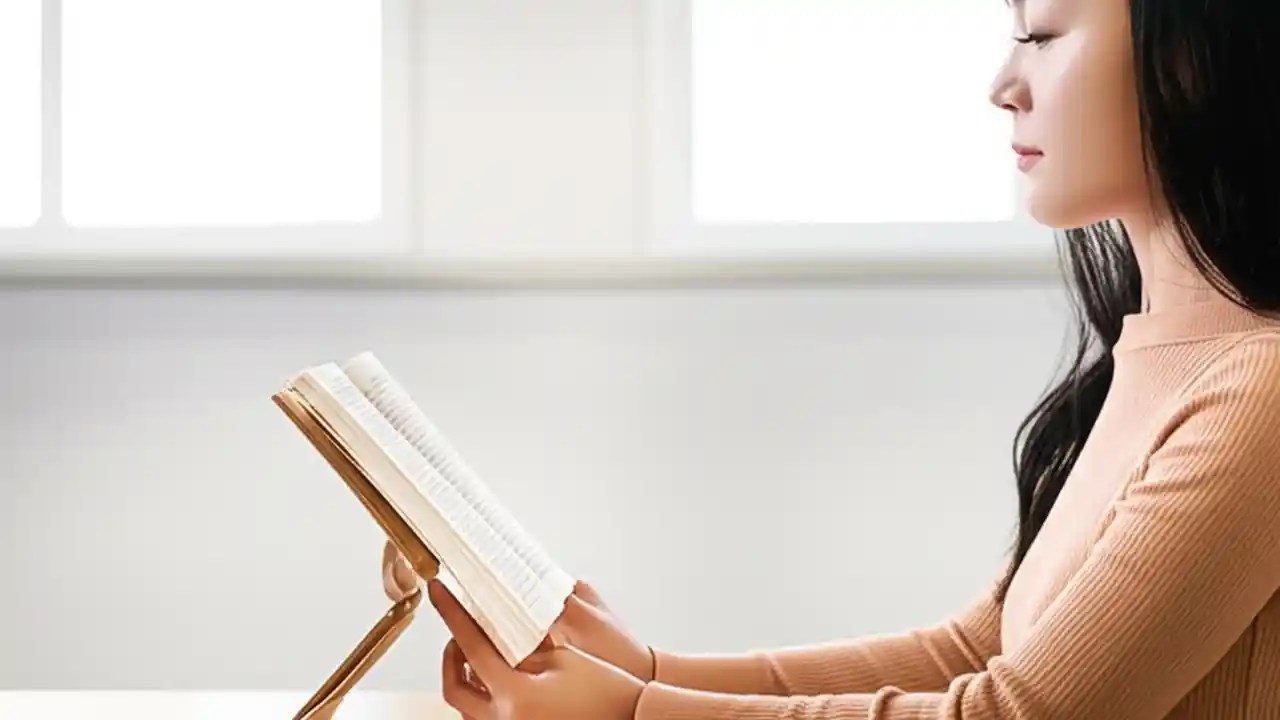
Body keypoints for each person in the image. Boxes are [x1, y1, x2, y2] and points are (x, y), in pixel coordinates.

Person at [385, 0, 1280, 716]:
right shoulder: (1161, 358)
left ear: (1190, 54)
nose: (1004, 84)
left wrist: (635, 712)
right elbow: (977, 649)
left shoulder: (1258, 391)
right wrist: (651, 671)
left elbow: (1014, 711)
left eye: (1039, 36)